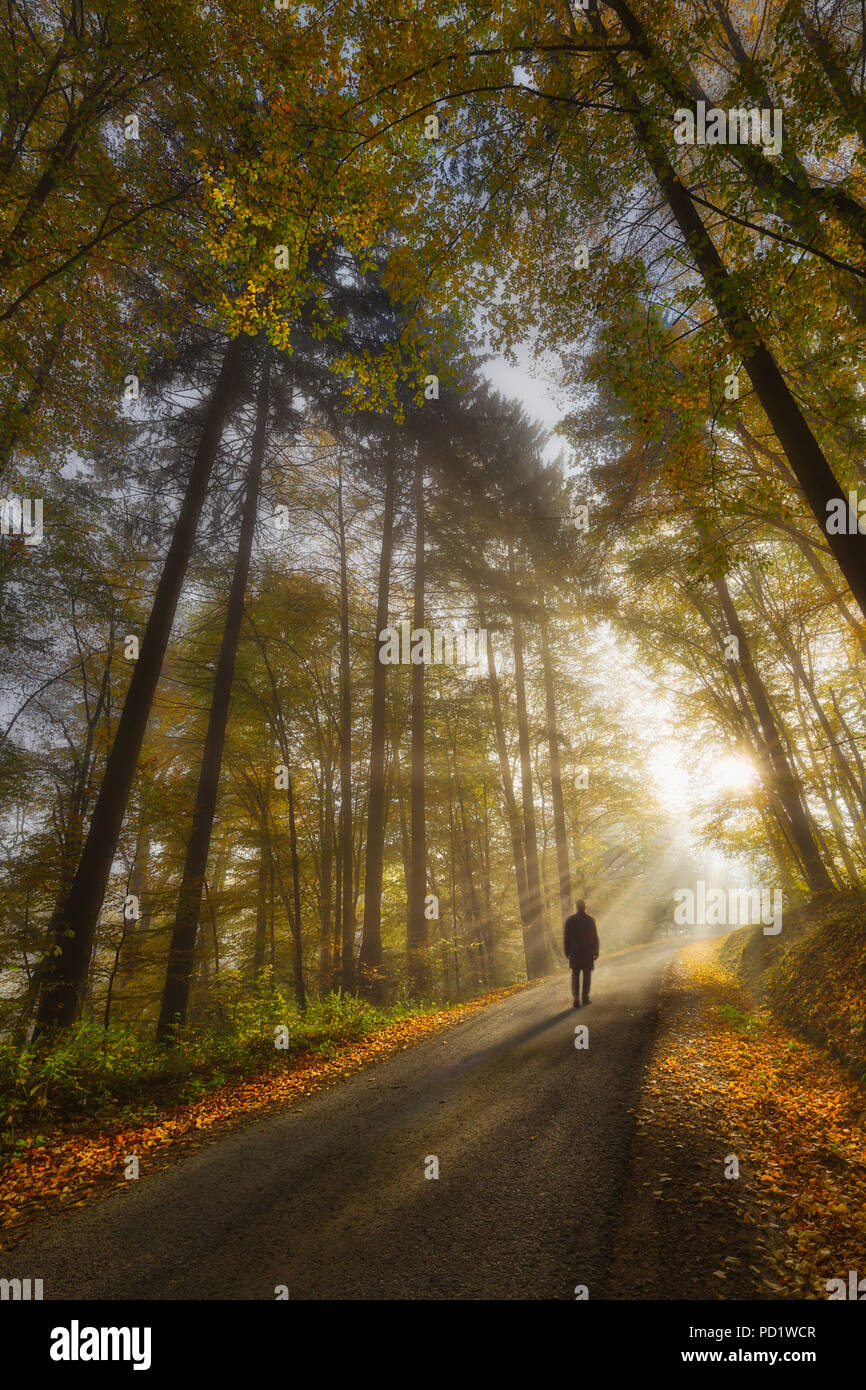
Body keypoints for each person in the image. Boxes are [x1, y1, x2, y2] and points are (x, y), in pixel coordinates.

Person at [563, 899, 599, 1008]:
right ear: (585, 907)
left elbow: (566, 937)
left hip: (575, 952)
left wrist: (567, 951)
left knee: (575, 975)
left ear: (576, 907)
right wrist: (596, 951)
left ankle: (576, 998)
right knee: (587, 975)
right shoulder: (590, 920)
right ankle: (585, 997)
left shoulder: (570, 920)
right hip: (587, 952)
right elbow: (595, 937)